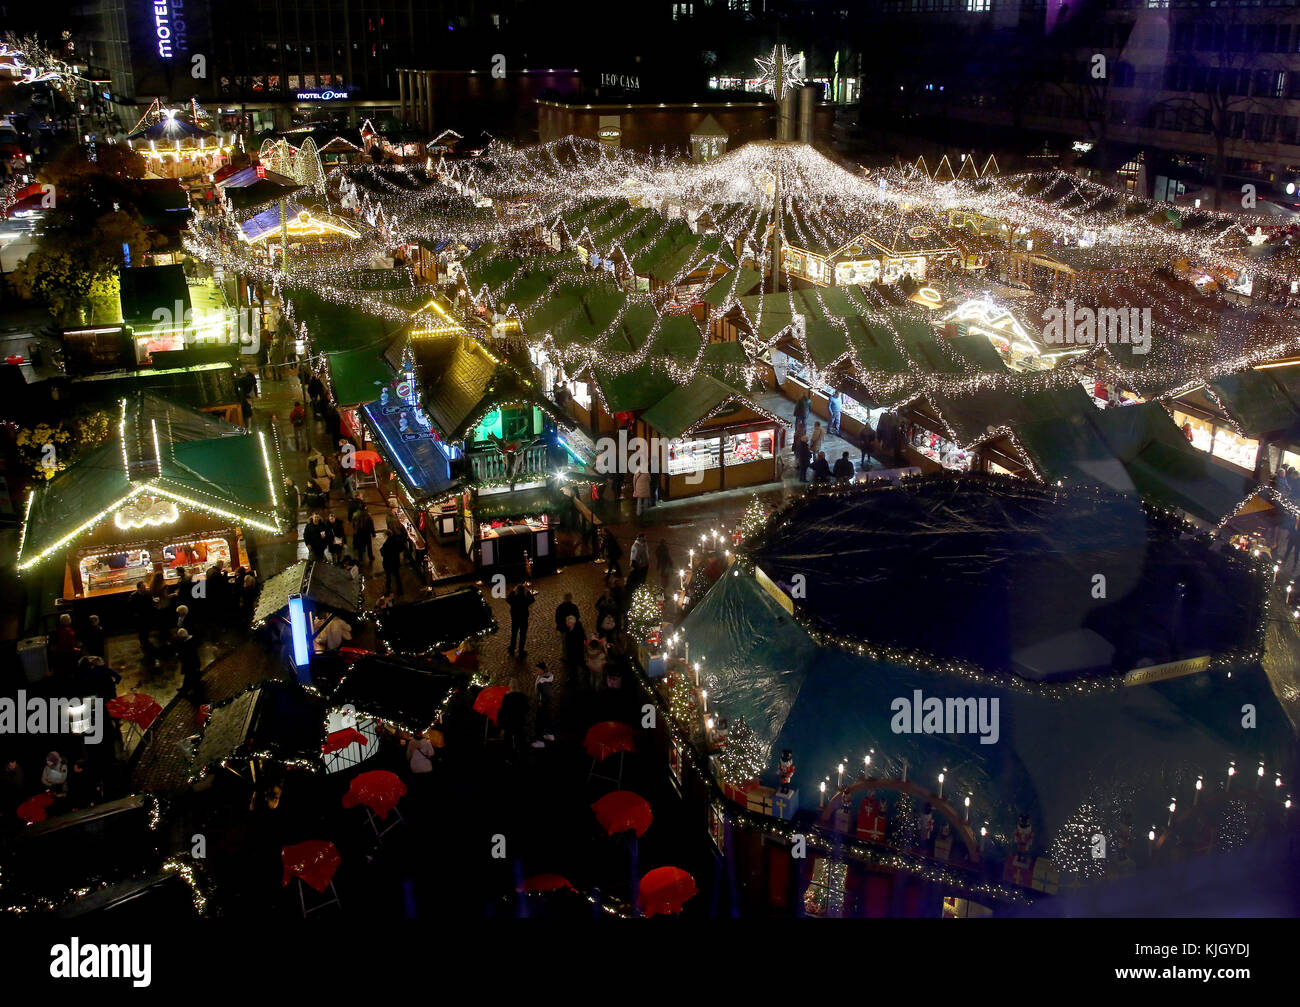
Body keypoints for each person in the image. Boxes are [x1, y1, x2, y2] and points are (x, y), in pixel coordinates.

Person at [507, 581, 536, 657]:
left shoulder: (514, 598)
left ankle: (512, 649)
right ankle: (521, 651)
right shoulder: (525, 598)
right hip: (523, 618)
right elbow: (532, 599)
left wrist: (513, 591)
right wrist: (527, 591)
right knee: (523, 635)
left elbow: (508, 599)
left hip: (515, 618)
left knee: (514, 634)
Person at [381, 525, 406, 595]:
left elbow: (383, 553)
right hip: (395, 561)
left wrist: (382, 550)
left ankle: (388, 589)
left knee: (388, 576)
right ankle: (400, 590)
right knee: (397, 576)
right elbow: (401, 548)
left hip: (388, 562)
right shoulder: (396, 541)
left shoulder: (387, 544)